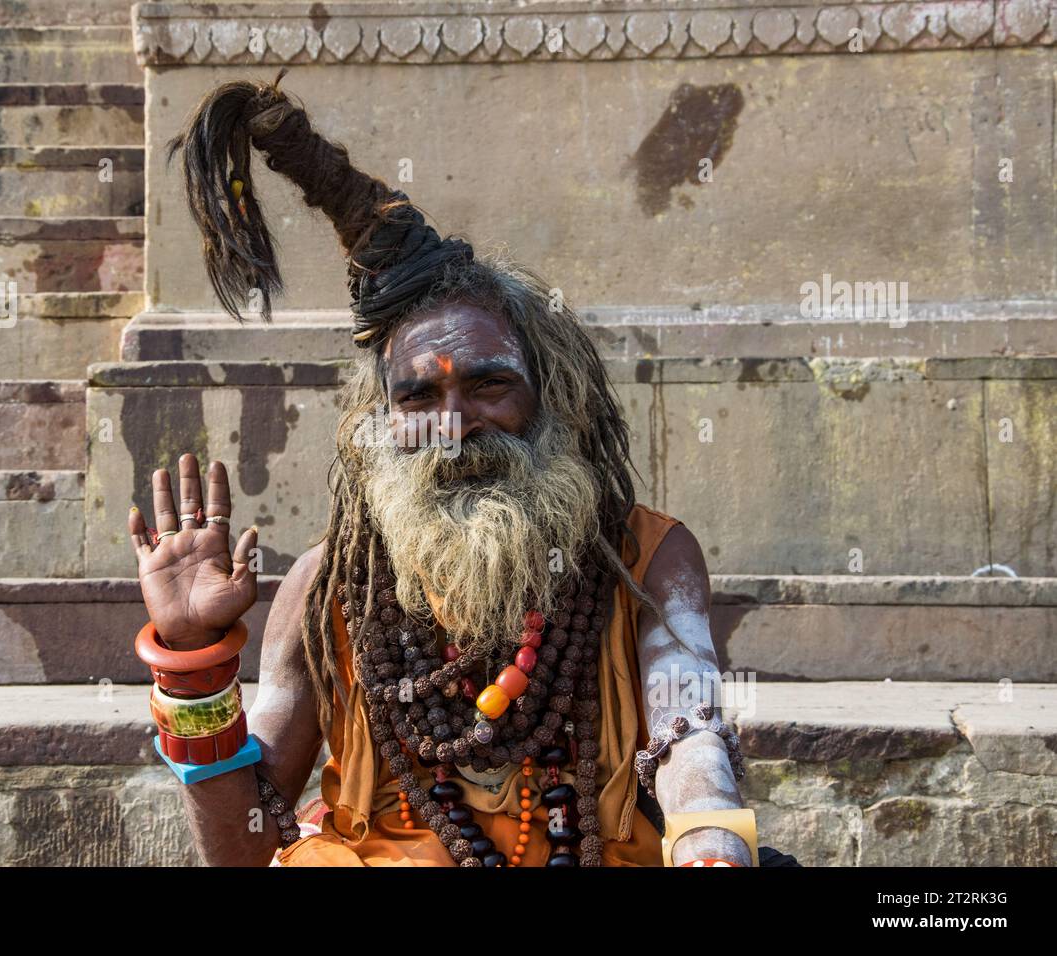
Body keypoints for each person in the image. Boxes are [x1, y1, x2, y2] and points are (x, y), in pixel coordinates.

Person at [126, 70, 798, 867]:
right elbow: (243, 849)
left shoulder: (643, 559)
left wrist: (713, 847)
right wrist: (192, 662)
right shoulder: (328, 588)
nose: (456, 423)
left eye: (488, 384)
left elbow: (691, 742)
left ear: (550, 399)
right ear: (381, 424)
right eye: (420, 396)